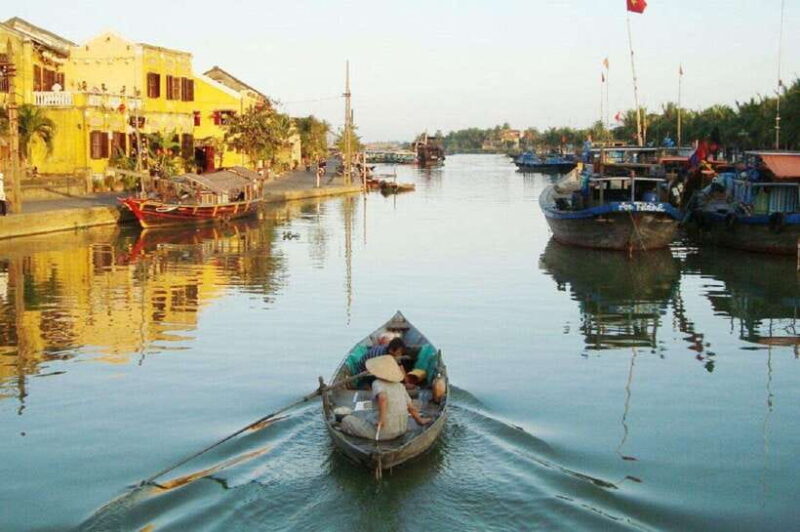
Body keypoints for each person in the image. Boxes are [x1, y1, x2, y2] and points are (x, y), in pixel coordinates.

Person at [339, 355, 431, 441]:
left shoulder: (377, 383)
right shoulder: (400, 386)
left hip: (384, 432)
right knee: (369, 416)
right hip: (401, 428)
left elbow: (383, 398)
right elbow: (411, 407)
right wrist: (420, 420)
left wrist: (382, 420)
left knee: (346, 420)